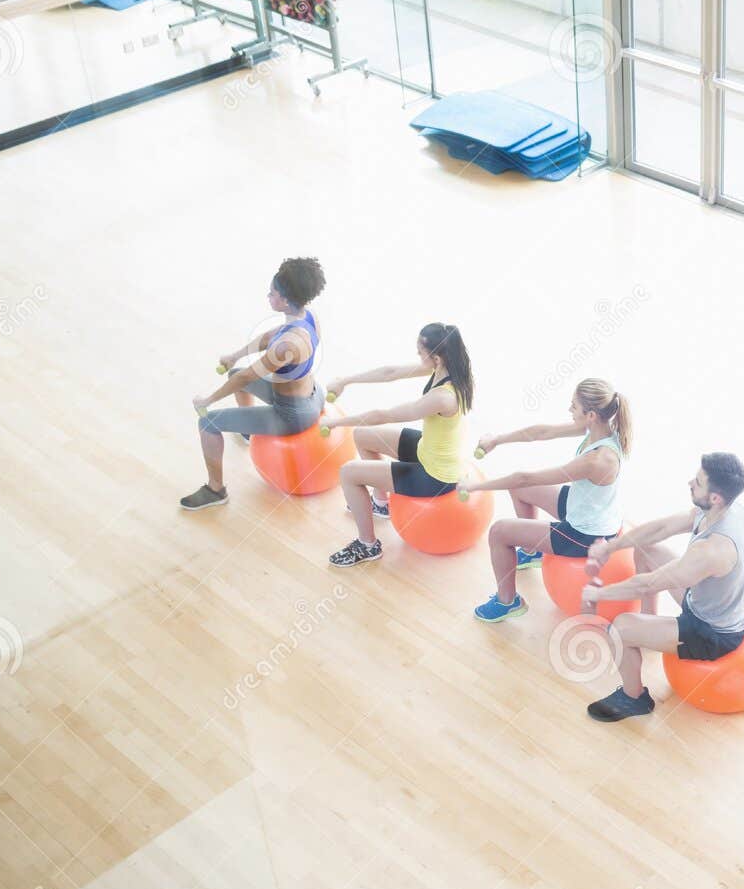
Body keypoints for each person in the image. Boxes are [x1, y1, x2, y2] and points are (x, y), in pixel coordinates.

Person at [576, 453, 744, 723]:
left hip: (712, 631)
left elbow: (649, 582)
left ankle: (634, 698)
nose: (690, 482)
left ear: (715, 496)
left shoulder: (712, 550)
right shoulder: (724, 508)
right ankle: (648, 626)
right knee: (645, 549)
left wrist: (597, 594)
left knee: (618, 630)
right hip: (712, 601)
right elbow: (662, 528)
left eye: (698, 481)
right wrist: (610, 547)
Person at [460, 379, 633, 622]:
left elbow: (523, 478)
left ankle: (507, 601)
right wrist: (497, 439)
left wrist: (476, 487)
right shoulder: (599, 430)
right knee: (522, 492)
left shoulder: (597, 460)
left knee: (499, 532)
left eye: (573, 406)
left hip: (586, 534)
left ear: (591, 414)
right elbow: (541, 432)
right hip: (587, 508)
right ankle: (531, 553)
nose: (569, 411)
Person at [319, 323, 474, 567]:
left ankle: (367, 545)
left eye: (420, 352)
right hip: (428, 450)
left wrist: (337, 422)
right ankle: (381, 504)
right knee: (362, 435)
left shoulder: (443, 397)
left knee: (348, 473)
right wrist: (345, 380)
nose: (417, 357)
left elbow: (385, 414)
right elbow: (390, 372)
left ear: (435, 356)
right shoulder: (447, 368)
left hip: (436, 476)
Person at [183, 257, 326, 510]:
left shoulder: (287, 347)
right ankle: (249, 432)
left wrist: (207, 401)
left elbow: (247, 377)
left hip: (292, 414)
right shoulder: (306, 317)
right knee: (234, 372)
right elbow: (269, 337)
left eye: (271, 293)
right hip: (312, 395)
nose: (268, 296)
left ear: (283, 300)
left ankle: (216, 490)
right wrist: (235, 355)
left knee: (207, 422)